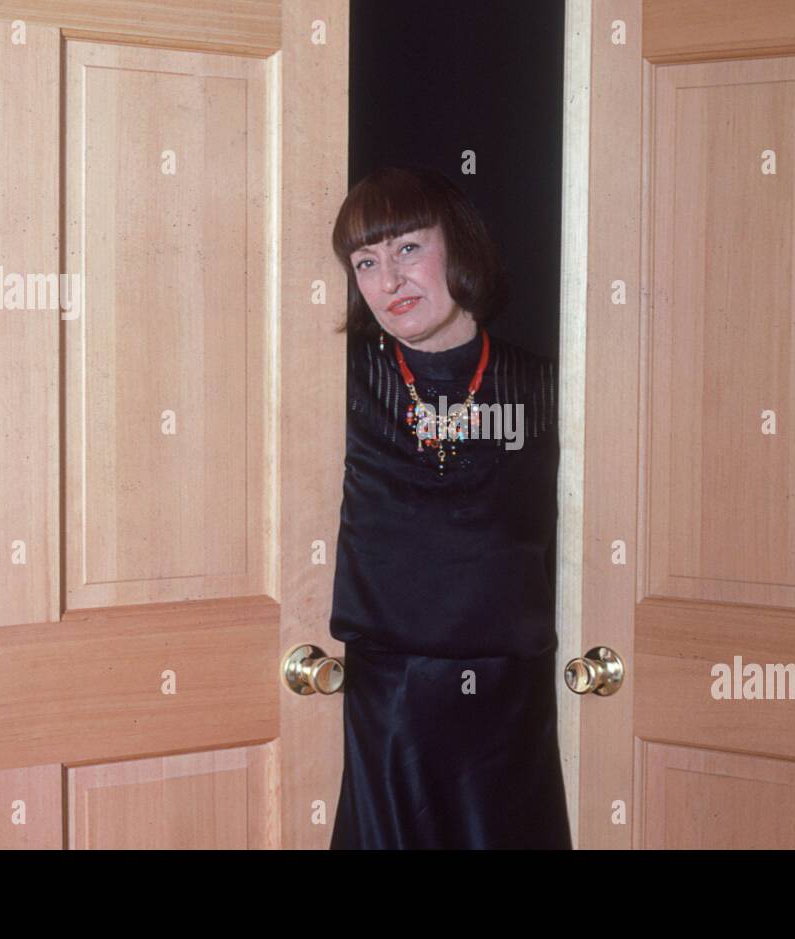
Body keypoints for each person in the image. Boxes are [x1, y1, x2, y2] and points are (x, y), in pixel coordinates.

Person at [326, 165, 571, 849]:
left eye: (408, 248)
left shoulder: (550, 387)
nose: (390, 280)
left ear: (458, 245)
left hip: (509, 709)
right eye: (366, 261)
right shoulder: (341, 382)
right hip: (389, 706)